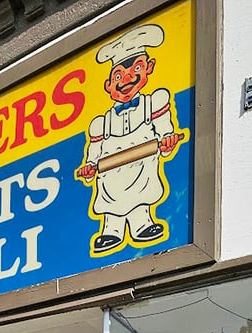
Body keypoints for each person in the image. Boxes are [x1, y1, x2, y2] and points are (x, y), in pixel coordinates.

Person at [77, 24, 184, 253]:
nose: (126, 79)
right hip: (110, 172)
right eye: (118, 76)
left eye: (136, 68)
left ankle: (141, 224)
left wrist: (167, 141)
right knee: (110, 202)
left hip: (141, 164)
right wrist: (89, 166)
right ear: (108, 86)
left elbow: (164, 128)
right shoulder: (101, 122)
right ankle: (111, 231)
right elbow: (94, 150)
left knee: (140, 197)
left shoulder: (153, 102)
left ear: (149, 68)